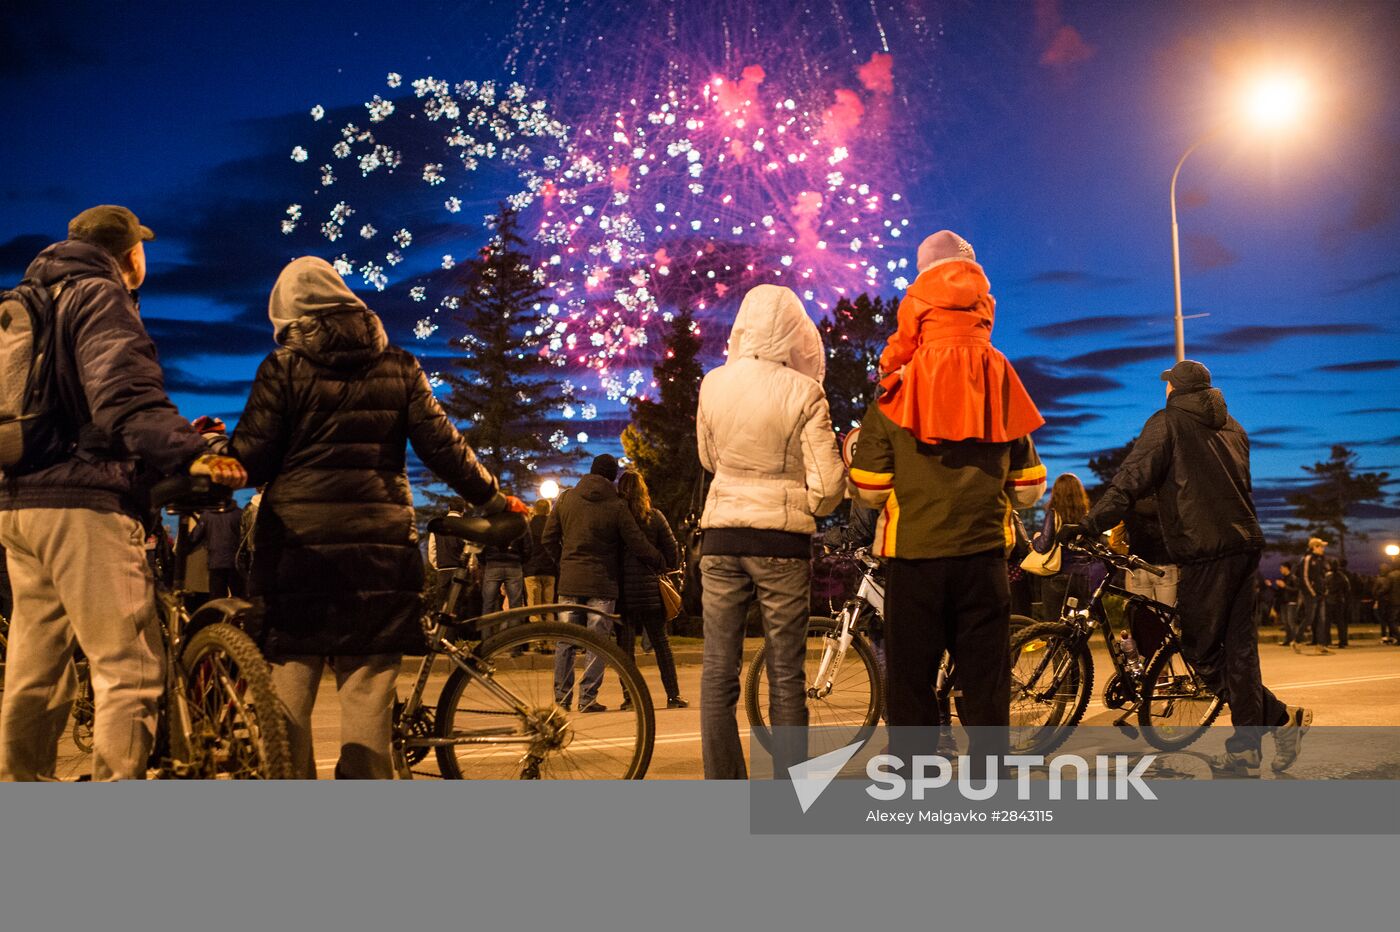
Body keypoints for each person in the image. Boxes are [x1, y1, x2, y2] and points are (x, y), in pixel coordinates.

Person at [229, 256, 500, 779]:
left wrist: (215, 452)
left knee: (288, 694)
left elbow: (253, 460)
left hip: (297, 552)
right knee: (369, 697)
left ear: (287, 314)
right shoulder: (398, 365)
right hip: (379, 551)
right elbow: (443, 447)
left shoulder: (282, 368)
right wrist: (490, 498)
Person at [0, 205, 244, 781]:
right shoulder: (98, 294)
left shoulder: (29, 299)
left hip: (18, 502)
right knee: (127, 668)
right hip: (83, 502)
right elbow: (124, 394)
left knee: (36, 671)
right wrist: (190, 452)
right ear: (131, 254)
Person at [851, 231, 1045, 775]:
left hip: (913, 557)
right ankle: (989, 775)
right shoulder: (1002, 380)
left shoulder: (894, 392)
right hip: (984, 557)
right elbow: (1029, 489)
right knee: (986, 677)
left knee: (911, 678)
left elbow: (870, 488)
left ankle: (913, 776)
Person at [1071, 359, 1310, 775]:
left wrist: (1090, 523)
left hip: (1205, 550)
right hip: (1244, 543)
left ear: (1175, 389)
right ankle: (1247, 748)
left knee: (1199, 650)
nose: (1164, 390)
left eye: (1167, 384)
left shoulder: (1167, 422)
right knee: (1240, 652)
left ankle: (1279, 718)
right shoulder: (1234, 428)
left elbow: (1130, 480)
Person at [696, 283, 847, 779]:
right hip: (780, 541)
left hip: (721, 537)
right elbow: (828, 486)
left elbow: (708, 458)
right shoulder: (804, 391)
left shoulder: (712, 384)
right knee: (785, 674)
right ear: (794, 332)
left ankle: (724, 785)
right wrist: (803, 501)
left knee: (718, 672)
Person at [543, 454, 662, 713]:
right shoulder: (617, 505)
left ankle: (562, 699)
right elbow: (637, 542)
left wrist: (564, 563)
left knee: (566, 641)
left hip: (570, 582)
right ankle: (587, 698)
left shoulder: (565, 499)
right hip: (603, 583)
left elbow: (548, 538)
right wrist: (660, 560)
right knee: (597, 643)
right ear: (611, 477)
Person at [615, 469, 688, 709]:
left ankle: (630, 698)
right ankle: (673, 695)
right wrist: (663, 566)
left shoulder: (616, 519)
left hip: (623, 591)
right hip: (651, 590)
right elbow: (672, 549)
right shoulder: (655, 517)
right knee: (661, 644)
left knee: (625, 648)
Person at [1030, 474, 1104, 621]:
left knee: (1055, 626)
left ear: (1056, 493)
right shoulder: (1087, 517)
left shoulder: (1054, 514)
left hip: (1057, 574)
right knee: (1078, 626)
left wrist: (1036, 539)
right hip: (1083, 576)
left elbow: (1044, 545)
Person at [478, 493, 532, 618]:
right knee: (515, 606)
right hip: (514, 565)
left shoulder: (489, 521)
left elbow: (481, 545)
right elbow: (528, 546)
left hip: (492, 564)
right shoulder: (519, 521)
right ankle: (514, 630)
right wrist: (521, 560)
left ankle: (487, 630)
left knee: (488, 605)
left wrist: (484, 561)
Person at [190, 500, 243, 598]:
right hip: (235, 562)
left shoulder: (207, 515)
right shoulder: (239, 513)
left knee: (217, 598)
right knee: (239, 598)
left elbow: (195, 537)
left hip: (215, 562)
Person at [523, 498, 558, 622]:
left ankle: (536, 633)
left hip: (531, 570)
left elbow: (524, 547)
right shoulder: (553, 526)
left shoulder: (528, 526)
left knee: (534, 609)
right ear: (548, 510)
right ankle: (550, 631)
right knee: (549, 606)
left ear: (535, 509)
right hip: (550, 570)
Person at [427, 498, 469, 600]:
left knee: (441, 602)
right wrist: (470, 566)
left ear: (449, 508)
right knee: (458, 603)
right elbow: (469, 549)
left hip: (443, 569)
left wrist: (437, 565)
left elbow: (432, 549)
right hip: (460, 570)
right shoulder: (466, 526)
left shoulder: (437, 525)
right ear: (463, 510)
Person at [1299, 537, 1329, 651]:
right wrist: (1312, 592)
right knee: (1309, 618)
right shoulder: (1307, 559)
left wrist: (1325, 589)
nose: (1323, 549)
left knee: (1322, 620)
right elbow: (1304, 577)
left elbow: (1322, 576)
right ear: (1314, 547)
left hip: (1320, 594)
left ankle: (1320, 645)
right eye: (1321, 547)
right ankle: (1297, 640)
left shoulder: (1321, 559)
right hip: (1311, 594)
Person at [1276, 563, 1302, 650]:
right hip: (1283, 602)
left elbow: (1296, 590)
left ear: (1286, 568)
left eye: (1281, 568)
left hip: (1291, 602)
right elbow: (1281, 592)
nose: (1280, 570)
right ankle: (1288, 640)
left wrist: (1284, 586)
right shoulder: (1283, 578)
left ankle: (1296, 640)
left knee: (1291, 622)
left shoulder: (1293, 578)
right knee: (1286, 623)